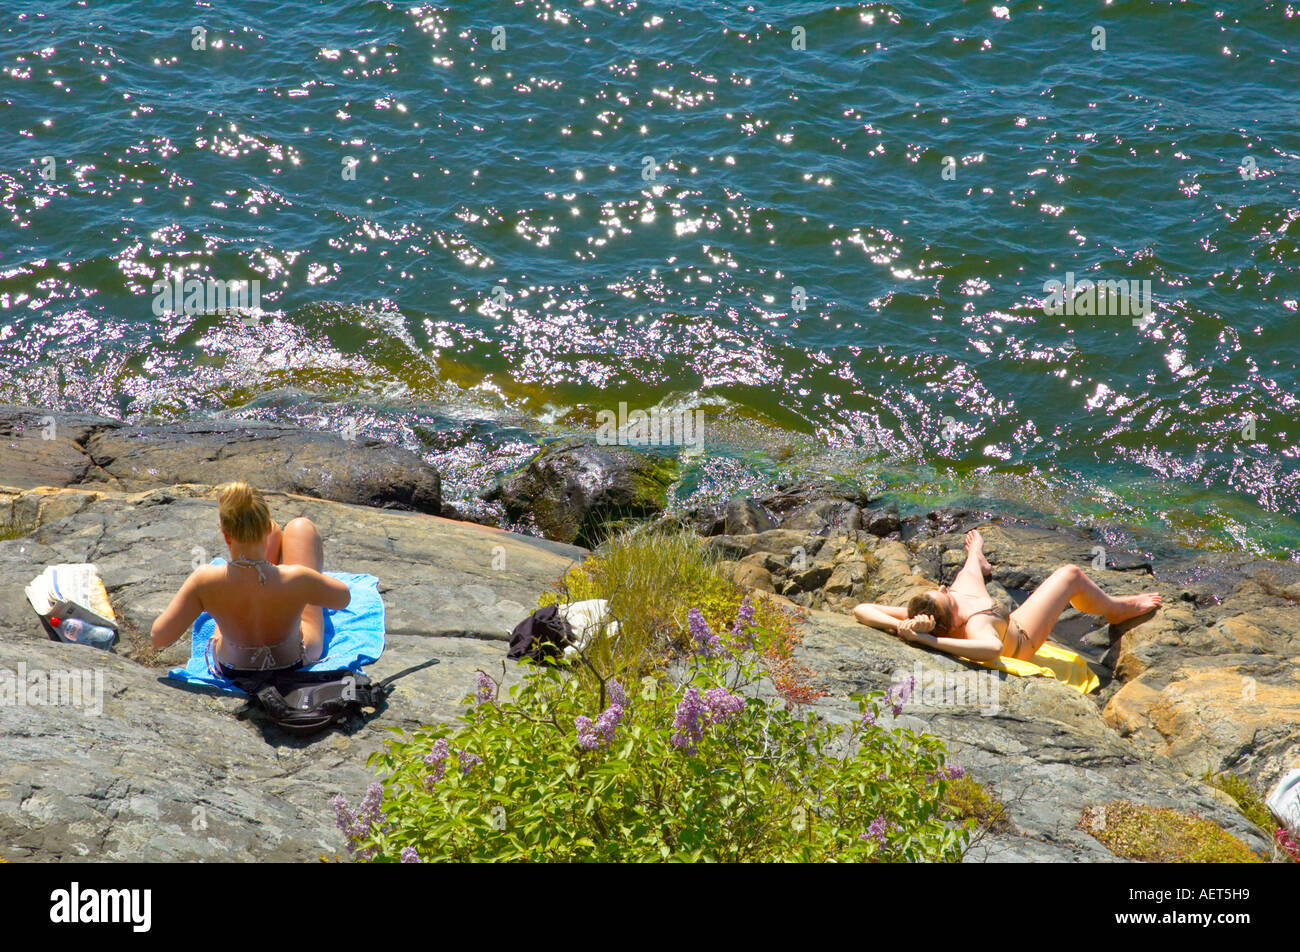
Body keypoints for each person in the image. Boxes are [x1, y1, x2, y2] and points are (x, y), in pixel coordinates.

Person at [852, 529, 1161, 663]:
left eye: (940, 589)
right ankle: (1117, 610)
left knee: (966, 578)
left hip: (987, 612)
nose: (944, 589)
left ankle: (977, 556)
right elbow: (991, 648)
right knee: (1070, 575)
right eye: (946, 595)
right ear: (948, 619)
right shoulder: (974, 628)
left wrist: (903, 627)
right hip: (1021, 637)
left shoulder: (925, 617)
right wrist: (926, 641)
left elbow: (862, 609)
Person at [151, 481, 350, 675]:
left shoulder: (204, 580)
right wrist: (305, 584)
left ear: (226, 535)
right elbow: (342, 599)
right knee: (301, 528)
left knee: (234, 602)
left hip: (232, 668)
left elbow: (159, 637)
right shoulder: (297, 578)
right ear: (265, 529)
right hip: (292, 662)